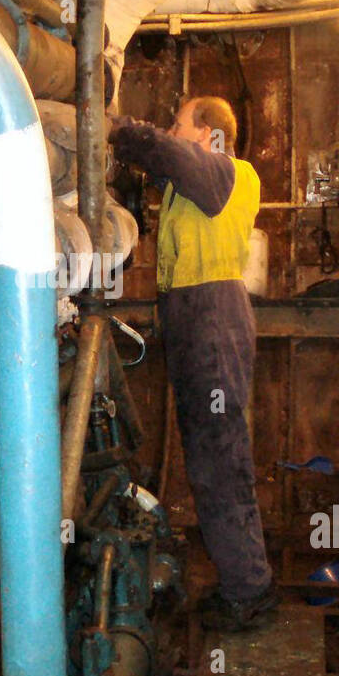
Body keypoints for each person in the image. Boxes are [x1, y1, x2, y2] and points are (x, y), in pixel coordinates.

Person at [110, 96, 280, 629]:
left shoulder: (227, 170)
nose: (169, 129)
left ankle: (250, 592)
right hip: (193, 321)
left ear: (207, 133)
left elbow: (168, 155)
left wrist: (118, 128)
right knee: (209, 460)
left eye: (178, 123)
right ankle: (242, 583)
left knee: (220, 460)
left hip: (212, 319)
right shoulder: (194, 184)